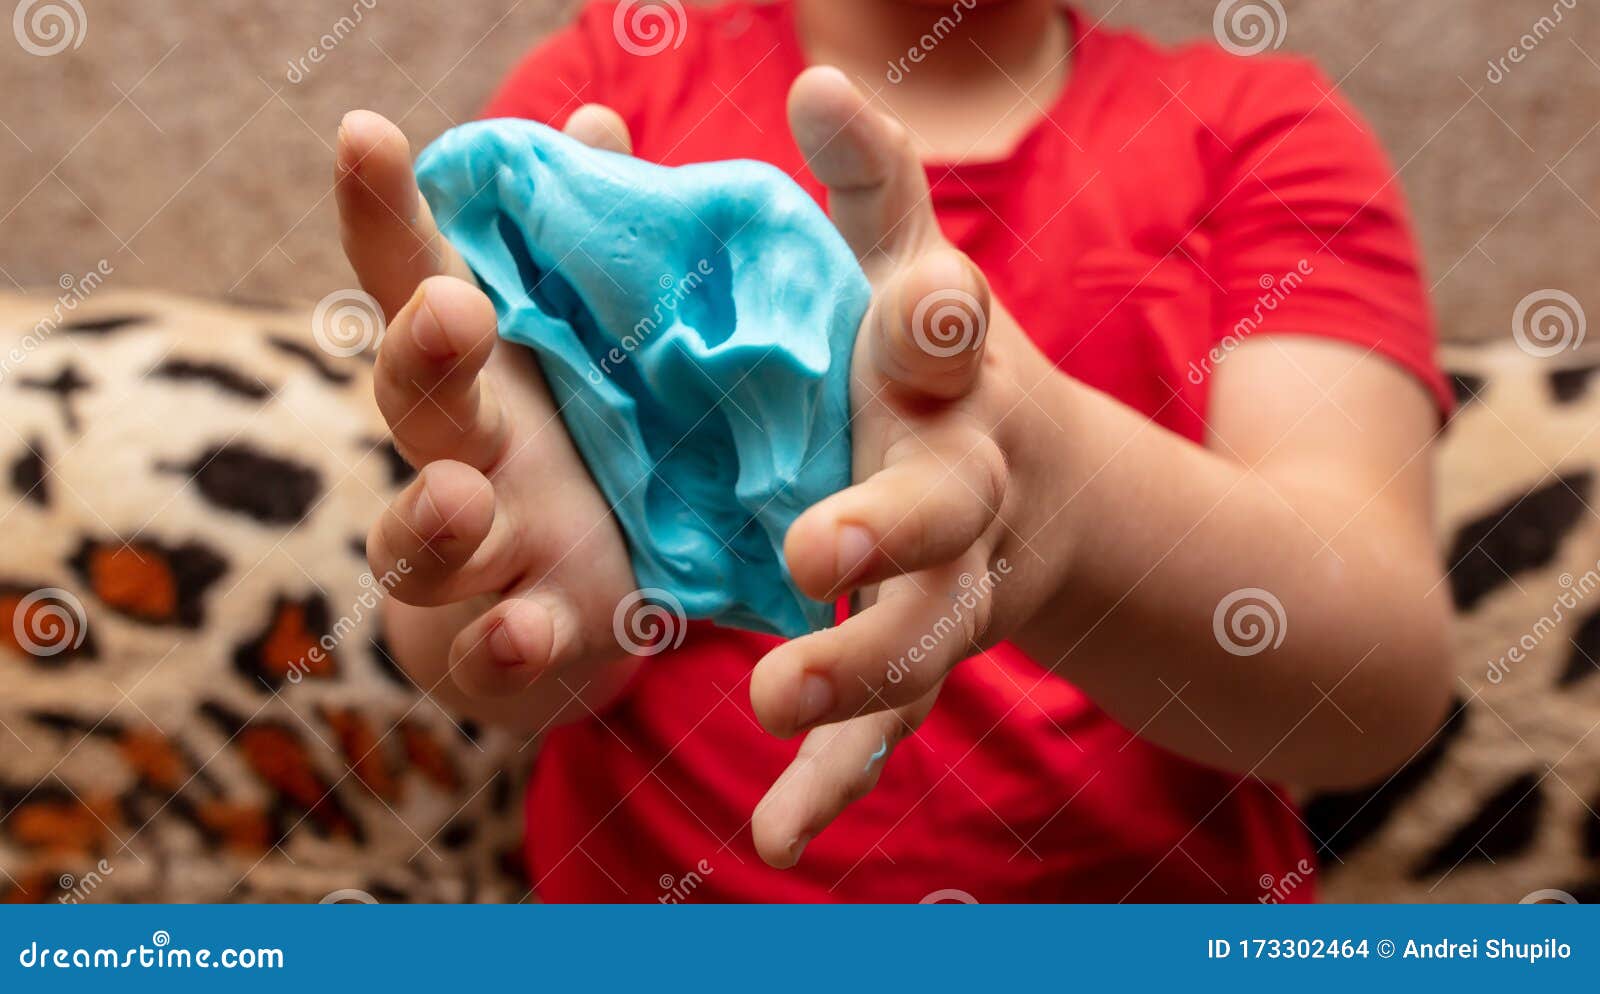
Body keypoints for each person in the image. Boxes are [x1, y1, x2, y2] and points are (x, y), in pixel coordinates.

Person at [333, 0, 1454, 901]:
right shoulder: (616, 78)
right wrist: (539, 579)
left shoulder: (1259, 134)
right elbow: (464, 640)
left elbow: (1376, 685)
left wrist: (1062, 506)